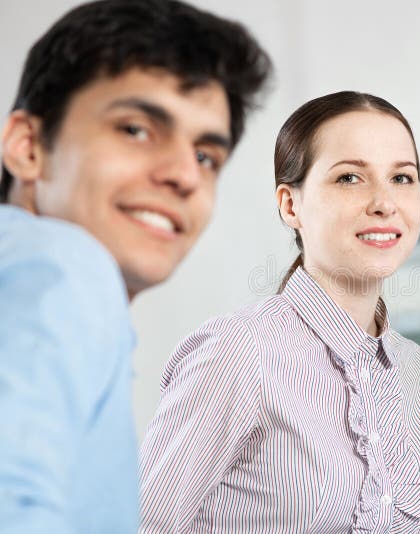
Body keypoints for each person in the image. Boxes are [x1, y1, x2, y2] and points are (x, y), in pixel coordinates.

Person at [0, 1, 271, 531]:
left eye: (206, 156)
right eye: (136, 129)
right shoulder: (68, 265)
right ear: (27, 146)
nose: (184, 176)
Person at [138, 91, 420, 533]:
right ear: (291, 205)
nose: (385, 202)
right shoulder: (239, 352)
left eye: (402, 178)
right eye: (349, 178)